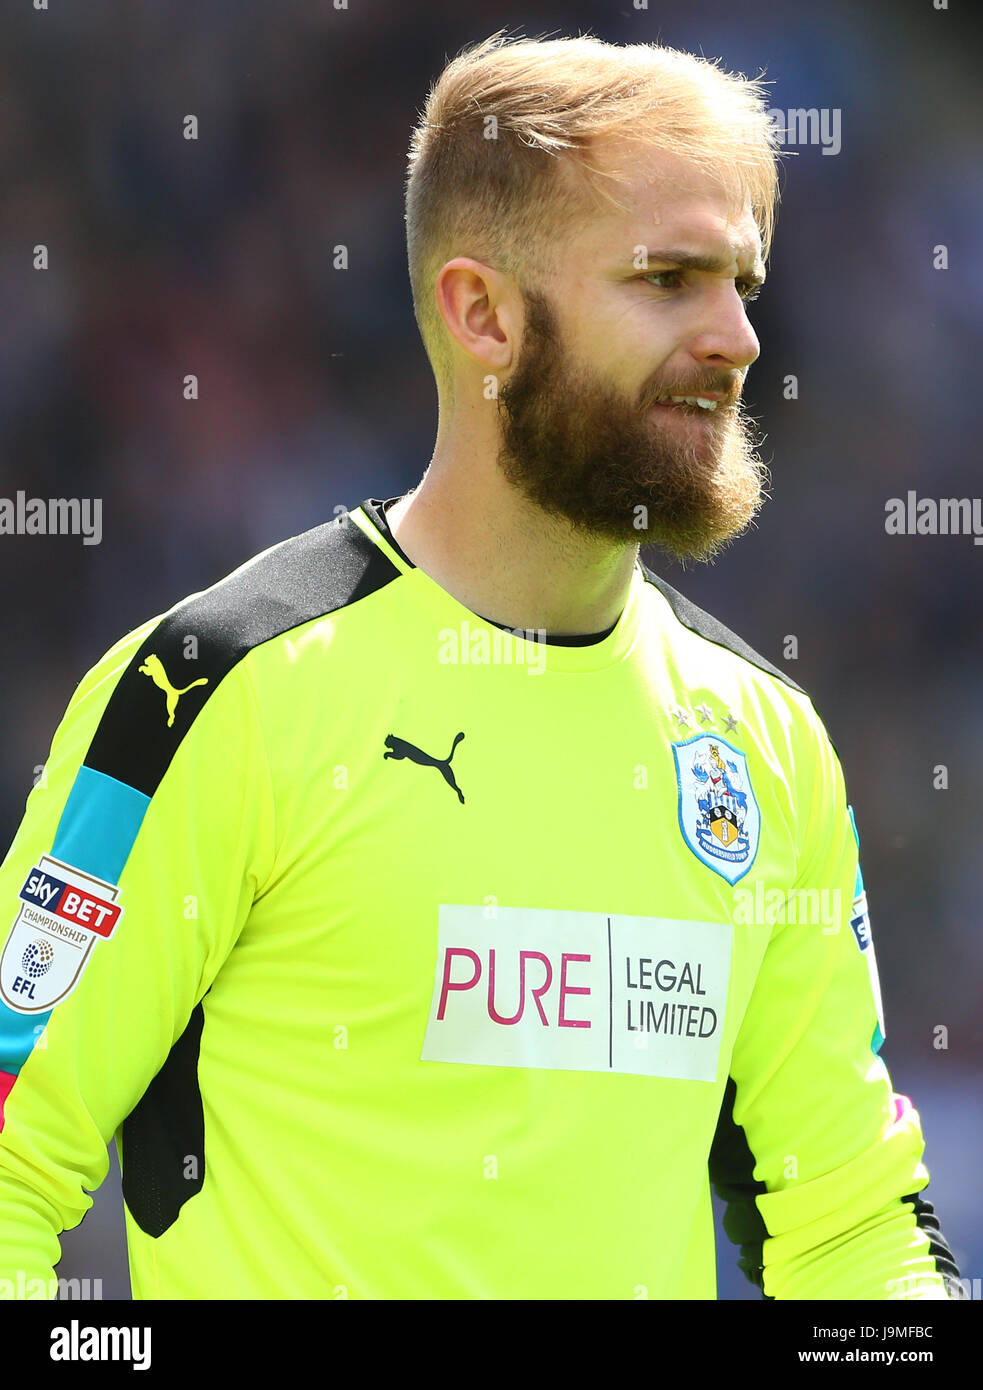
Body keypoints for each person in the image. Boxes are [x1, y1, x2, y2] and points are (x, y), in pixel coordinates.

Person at [0, 30, 964, 1300]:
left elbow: (851, 1234)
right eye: (668, 279)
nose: (735, 336)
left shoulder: (765, 745)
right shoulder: (209, 691)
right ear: (482, 314)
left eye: (742, 281)